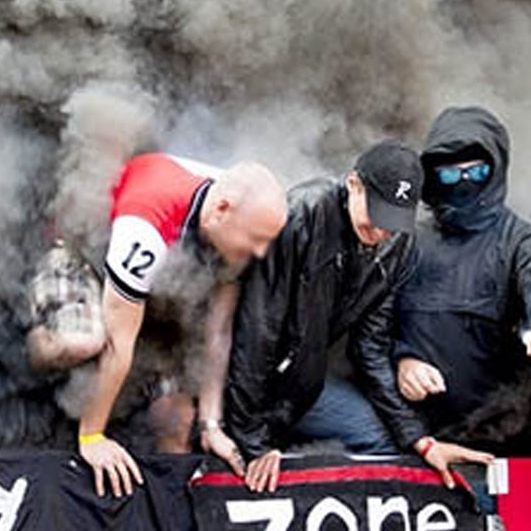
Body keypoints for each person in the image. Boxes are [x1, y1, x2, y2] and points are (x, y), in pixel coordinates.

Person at [201, 141, 494, 493]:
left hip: (304, 389)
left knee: (383, 443)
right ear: (354, 184)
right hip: (244, 389)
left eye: (393, 222)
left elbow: (371, 348)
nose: (382, 232)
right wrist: (255, 442)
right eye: (377, 215)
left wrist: (420, 440)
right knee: (239, 470)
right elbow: (257, 333)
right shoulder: (302, 215)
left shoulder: (398, 245)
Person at [47, 152, 288, 498]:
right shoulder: (147, 225)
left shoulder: (238, 213)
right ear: (221, 211)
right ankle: (41, 364)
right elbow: (119, 342)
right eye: (256, 240)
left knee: (176, 421)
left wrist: (211, 424)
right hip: (82, 255)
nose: (262, 252)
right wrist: (92, 436)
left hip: (148, 291)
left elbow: (217, 333)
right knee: (81, 341)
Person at [392, 106, 531, 450]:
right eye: (450, 175)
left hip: (495, 438)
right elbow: (373, 324)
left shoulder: (519, 241)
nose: (464, 184)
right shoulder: (407, 243)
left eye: (476, 172)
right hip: (415, 443)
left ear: (496, 168)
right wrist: (401, 360)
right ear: (431, 175)